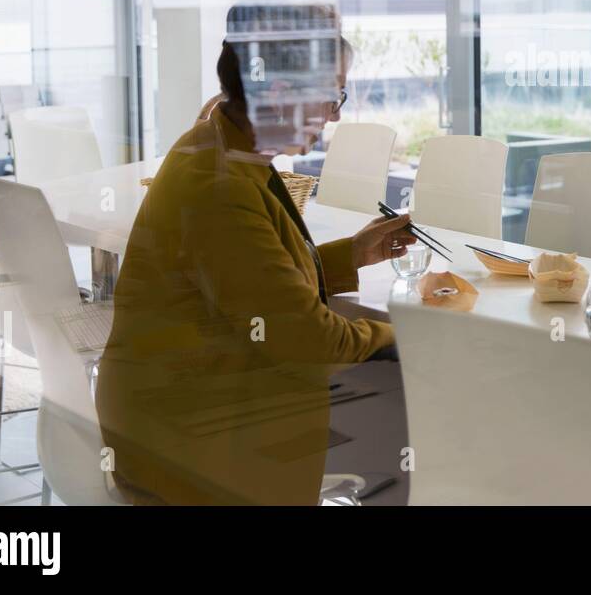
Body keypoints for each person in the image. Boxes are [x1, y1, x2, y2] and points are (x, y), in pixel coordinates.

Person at [95, 36, 415, 505]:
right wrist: (403, 336)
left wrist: (352, 255)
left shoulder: (220, 146)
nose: (336, 115)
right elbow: (309, 338)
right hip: (187, 446)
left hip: (177, 414)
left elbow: (248, 281)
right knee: (397, 425)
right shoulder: (218, 182)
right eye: (333, 96)